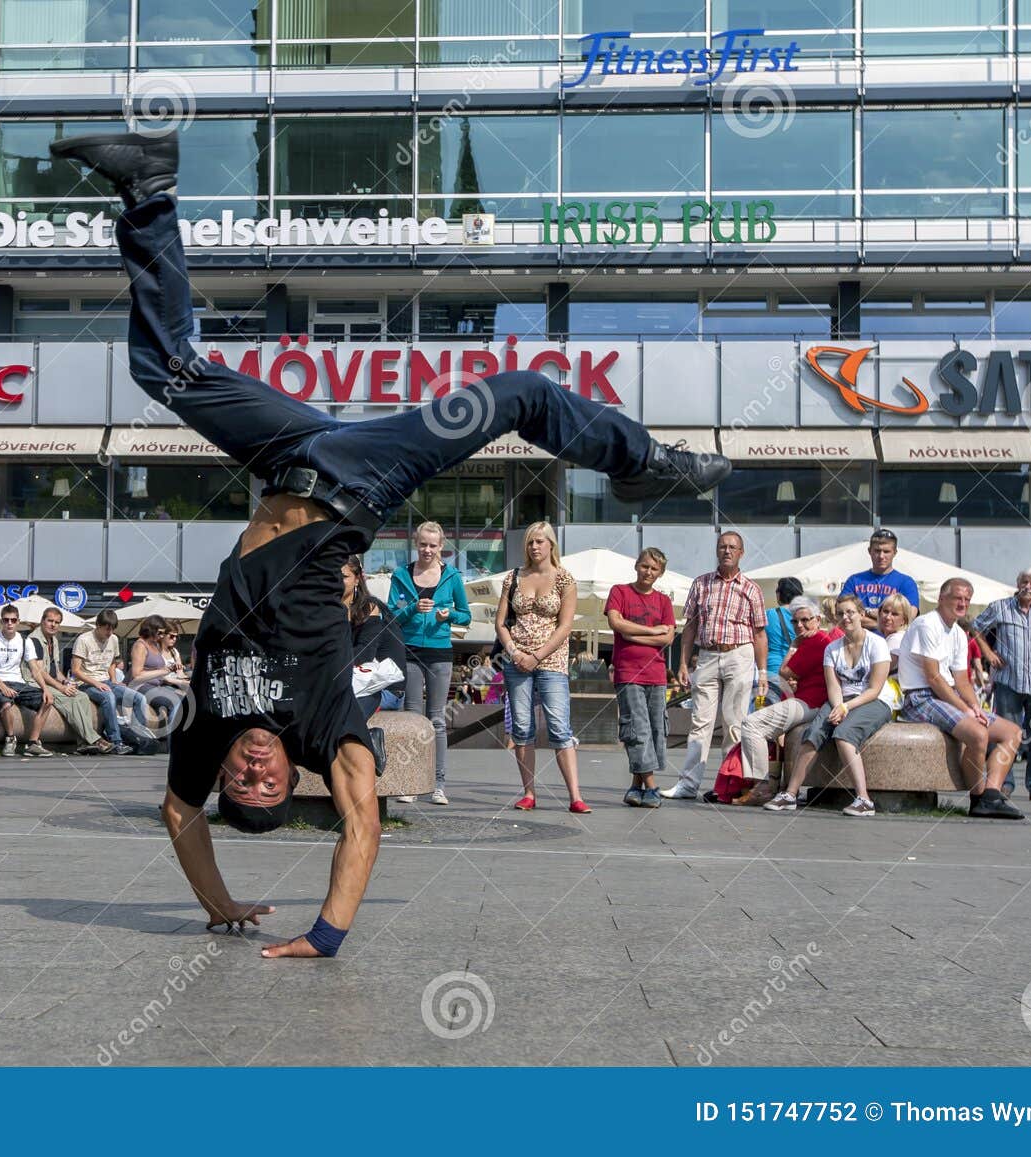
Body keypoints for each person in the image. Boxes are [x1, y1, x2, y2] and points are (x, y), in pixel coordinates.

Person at [49, 130, 727, 958]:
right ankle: (648, 461)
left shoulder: (208, 721)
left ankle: (149, 189)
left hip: (285, 453)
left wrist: (218, 903)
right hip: (356, 481)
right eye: (268, 784)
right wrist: (329, 933)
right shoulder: (322, 729)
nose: (255, 769)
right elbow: (363, 819)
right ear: (291, 781)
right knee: (516, 393)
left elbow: (177, 813)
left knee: (165, 371)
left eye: (242, 780)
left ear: (227, 771)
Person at [898, 578, 1024, 819]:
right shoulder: (927, 624)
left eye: (967, 599)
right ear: (941, 599)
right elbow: (933, 678)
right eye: (957, 598)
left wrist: (974, 706)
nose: (963, 603)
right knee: (978, 733)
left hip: (948, 694)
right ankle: (977, 799)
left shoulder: (958, 632)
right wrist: (965, 710)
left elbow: (962, 680)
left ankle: (992, 794)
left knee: (1013, 733)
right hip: (920, 697)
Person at [661, 531, 768, 801]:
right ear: (717, 551)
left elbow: (759, 634)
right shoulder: (701, 584)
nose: (727, 551)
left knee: (734, 724)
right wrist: (684, 663)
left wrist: (763, 670)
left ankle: (727, 786)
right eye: (722, 546)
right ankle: (688, 784)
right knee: (700, 723)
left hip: (739, 654)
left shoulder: (751, 588)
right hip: (707, 654)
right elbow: (690, 626)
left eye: (732, 547)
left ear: (741, 553)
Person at [765, 595, 892, 817]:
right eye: (841, 614)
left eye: (850, 612)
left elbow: (875, 689)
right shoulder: (832, 649)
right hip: (841, 700)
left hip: (873, 701)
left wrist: (846, 708)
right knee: (813, 732)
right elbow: (834, 686)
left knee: (844, 734)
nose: (846, 617)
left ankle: (864, 799)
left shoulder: (877, 643)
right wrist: (837, 706)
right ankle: (790, 794)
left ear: (861, 614)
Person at [495, 522, 586, 812]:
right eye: (530, 542)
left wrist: (537, 656)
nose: (534, 547)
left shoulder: (564, 579)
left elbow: (566, 626)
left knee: (559, 727)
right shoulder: (513, 577)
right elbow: (500, 623)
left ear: (551, 545)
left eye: (540, 542)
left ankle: (575, 796)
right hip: (517, 660)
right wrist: (514, 651)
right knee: (522, 728)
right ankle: (529, 793)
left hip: (552, 661)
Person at [388, 521, 471, 806]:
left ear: (442, 547)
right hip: (408, 650)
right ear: (415, 543)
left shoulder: (453, 577)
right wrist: (412, 608)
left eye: (433, 545)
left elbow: (466, 616)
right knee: (411, 716)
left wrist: (447, 615)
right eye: (423, 544)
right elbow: (392, 615)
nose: (427, 550)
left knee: (436, 719)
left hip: (439, 652)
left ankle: (438, 784)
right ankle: (410, 783)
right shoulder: (400, 575)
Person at [971, 567, 1031, 802]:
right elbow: (976, 627)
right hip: (1008, 682)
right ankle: (1004, 784)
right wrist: (988, 653)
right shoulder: (1000, 606)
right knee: (1004, 735)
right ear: (1017, 582)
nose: (1028, 586)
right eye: (1025, 581)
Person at [732, 598, 835, 806]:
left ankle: (762, 787)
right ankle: (770, 785)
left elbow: (784, 671)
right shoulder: (823, 640)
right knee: (767, 731)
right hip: (811, 701)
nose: (799, 625)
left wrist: (793, 647)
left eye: (805, 620)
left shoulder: (815, 641)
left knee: (751, 724)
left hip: (809, 703)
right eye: (795, 622)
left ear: (818, 619)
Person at [604, 547, 677, 808]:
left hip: (656, 674)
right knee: (637, 729)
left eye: (654, 569)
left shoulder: (664, 601)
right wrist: (651, 631)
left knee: (656, 731)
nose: (648, 572)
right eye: (645, 566)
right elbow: (616, 623)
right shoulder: (620, 592)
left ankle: (636, 787)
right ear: (637, 566)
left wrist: (634, 634)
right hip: (628, 672)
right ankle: (652, 786)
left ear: (661, 573)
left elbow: (668, 637)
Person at [33, 606, 114, 755]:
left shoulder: (54, 640)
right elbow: (39, 672)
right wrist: (61, 687)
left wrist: (66, 682)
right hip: (37, 683)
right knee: (69, 698)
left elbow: (56, 671)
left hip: (52, 682)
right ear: (42, 621)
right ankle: (95, 740)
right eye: (50, 621)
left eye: (57, 622)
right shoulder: (35, 640)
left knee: (82, 696)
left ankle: (82, 743)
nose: (53, 625)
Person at [72, 609, 151, 755]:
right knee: (109, 697)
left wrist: (114, 680)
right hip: (86, 683)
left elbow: (112, 663)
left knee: (139, 698)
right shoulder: (83, 640)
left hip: (107, 681)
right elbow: (76, 670)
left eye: (112, 629)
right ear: (98, 625)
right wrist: (97, 684)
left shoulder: (113, 639)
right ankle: (116, 741)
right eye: (107, 628)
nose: (109, 632)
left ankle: (138, 737)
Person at [0, 603, 53, 758]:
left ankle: (33, 743)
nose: (9, 623)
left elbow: (35, 668)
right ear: (1, 621)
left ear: (18, 622)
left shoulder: (25, 641)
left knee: (47, 701)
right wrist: (2, 687)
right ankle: (10, 739)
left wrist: (45, 689)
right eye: (6, 620)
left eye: (13, 620)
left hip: (18, 683)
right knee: (6, 704)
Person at [345, 555, 403, 724]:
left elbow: (365, 654)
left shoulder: (369, 607)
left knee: (338, 710)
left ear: (357, 579)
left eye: (343, 576)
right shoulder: (330, 609)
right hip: (352, 681)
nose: (335, 581)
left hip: (383, 687)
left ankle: (371, 743)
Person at [839, 528, 920, 630]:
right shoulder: (854, 580)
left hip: (892, 644)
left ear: (894, 552)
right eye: (877, 551)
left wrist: (864, 614)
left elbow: (909, 617)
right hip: (859, 643)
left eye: (886, 551)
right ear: (869, 551)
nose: (881, 556)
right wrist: (883, 623)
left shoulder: (906, 583)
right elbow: (842, 614)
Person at [765, 576, 804, 689]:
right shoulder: (806, 617)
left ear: (779, 594)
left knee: (763, 703)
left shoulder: (768, 614)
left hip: (771, 669)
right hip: (795, 670)